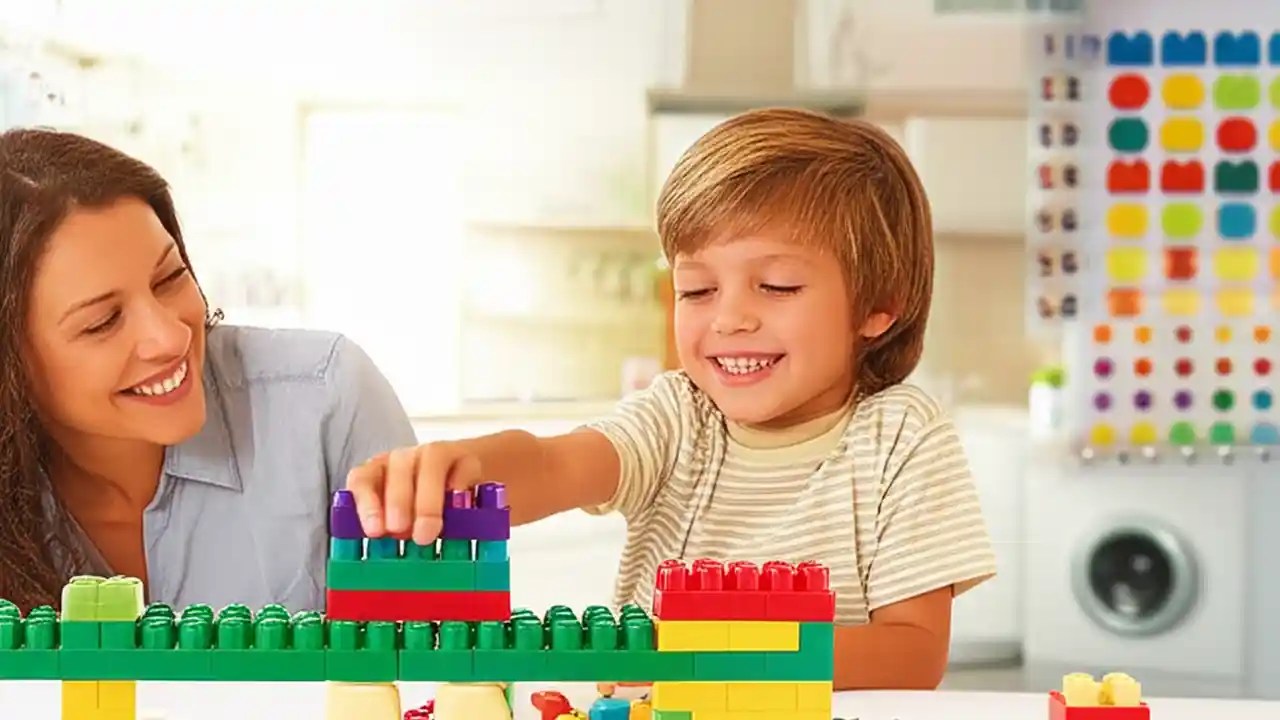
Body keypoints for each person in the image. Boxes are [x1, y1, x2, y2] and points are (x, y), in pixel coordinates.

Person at [345, 108, 998, 690]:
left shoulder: (901, 437)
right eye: (697, 290)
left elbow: (911, 654)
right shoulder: (680, 416)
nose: (730, 318)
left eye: (775, 286)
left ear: (879, 307)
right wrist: (462, 468)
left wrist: (710, 654)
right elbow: (554, 464)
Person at [0, 128, 416, 613]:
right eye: (103, 322)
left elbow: (433, 663)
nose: (171, 337)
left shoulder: (325, 396)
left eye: (170, 277)